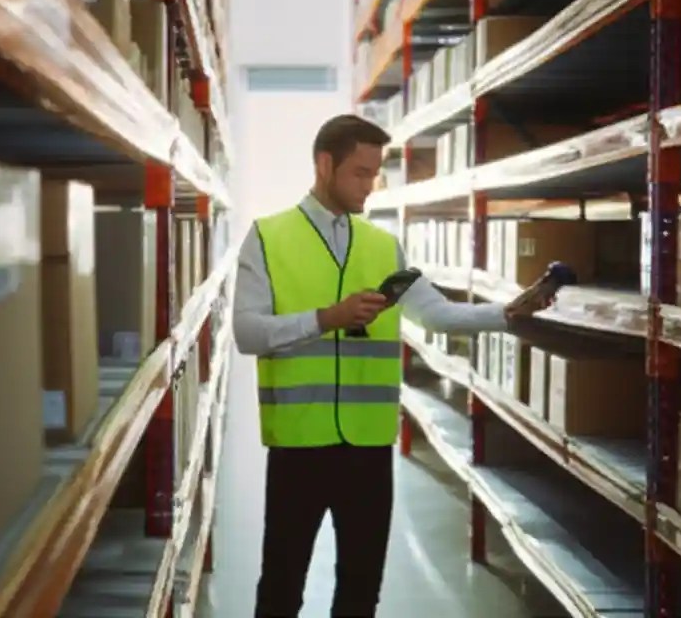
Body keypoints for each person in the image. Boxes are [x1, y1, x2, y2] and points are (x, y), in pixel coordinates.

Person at [232, 114, 564, 618]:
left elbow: (436, 313)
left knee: (362, 590)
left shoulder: (383, 245)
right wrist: (328, 318)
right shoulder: (267, 237)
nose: (370, 186)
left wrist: (506, 313)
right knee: (281, 587)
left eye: (375, 174)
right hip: (298, 447)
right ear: (325, 165)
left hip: (367, 449)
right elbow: (246, 332)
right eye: (360, 173)